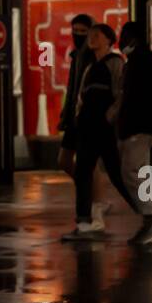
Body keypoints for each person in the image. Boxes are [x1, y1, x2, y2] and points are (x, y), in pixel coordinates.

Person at [62, 23, 133, 241]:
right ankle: (83, 220)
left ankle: (149, 212)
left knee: (117, 173)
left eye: (97, 35)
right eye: (90, 35)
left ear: (109, 40)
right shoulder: (89, 67)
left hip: (104, 128)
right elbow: (81, 97)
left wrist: (110, 118)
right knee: (83, 171)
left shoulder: (115, 63)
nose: (91, 38)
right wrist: (78, 117)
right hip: (87, 127)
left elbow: (120, 94)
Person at [114, 20, 152, 245]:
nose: (122, 42)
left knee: (132, 171)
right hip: (134, 126)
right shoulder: (136, 63)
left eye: (126, 37)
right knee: (136, 171)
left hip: (140, 126)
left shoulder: (146, 64)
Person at [56, 14, 94, 180]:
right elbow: (72, 87)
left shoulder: (93, 56)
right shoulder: (76, 56)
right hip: (74, 117)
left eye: (83, 31)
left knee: (90, 163)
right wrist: (66, 113)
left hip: (86, 117)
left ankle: (89, 192)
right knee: (64, 160)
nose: (78, 34)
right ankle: (85, 187)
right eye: (75, 30)